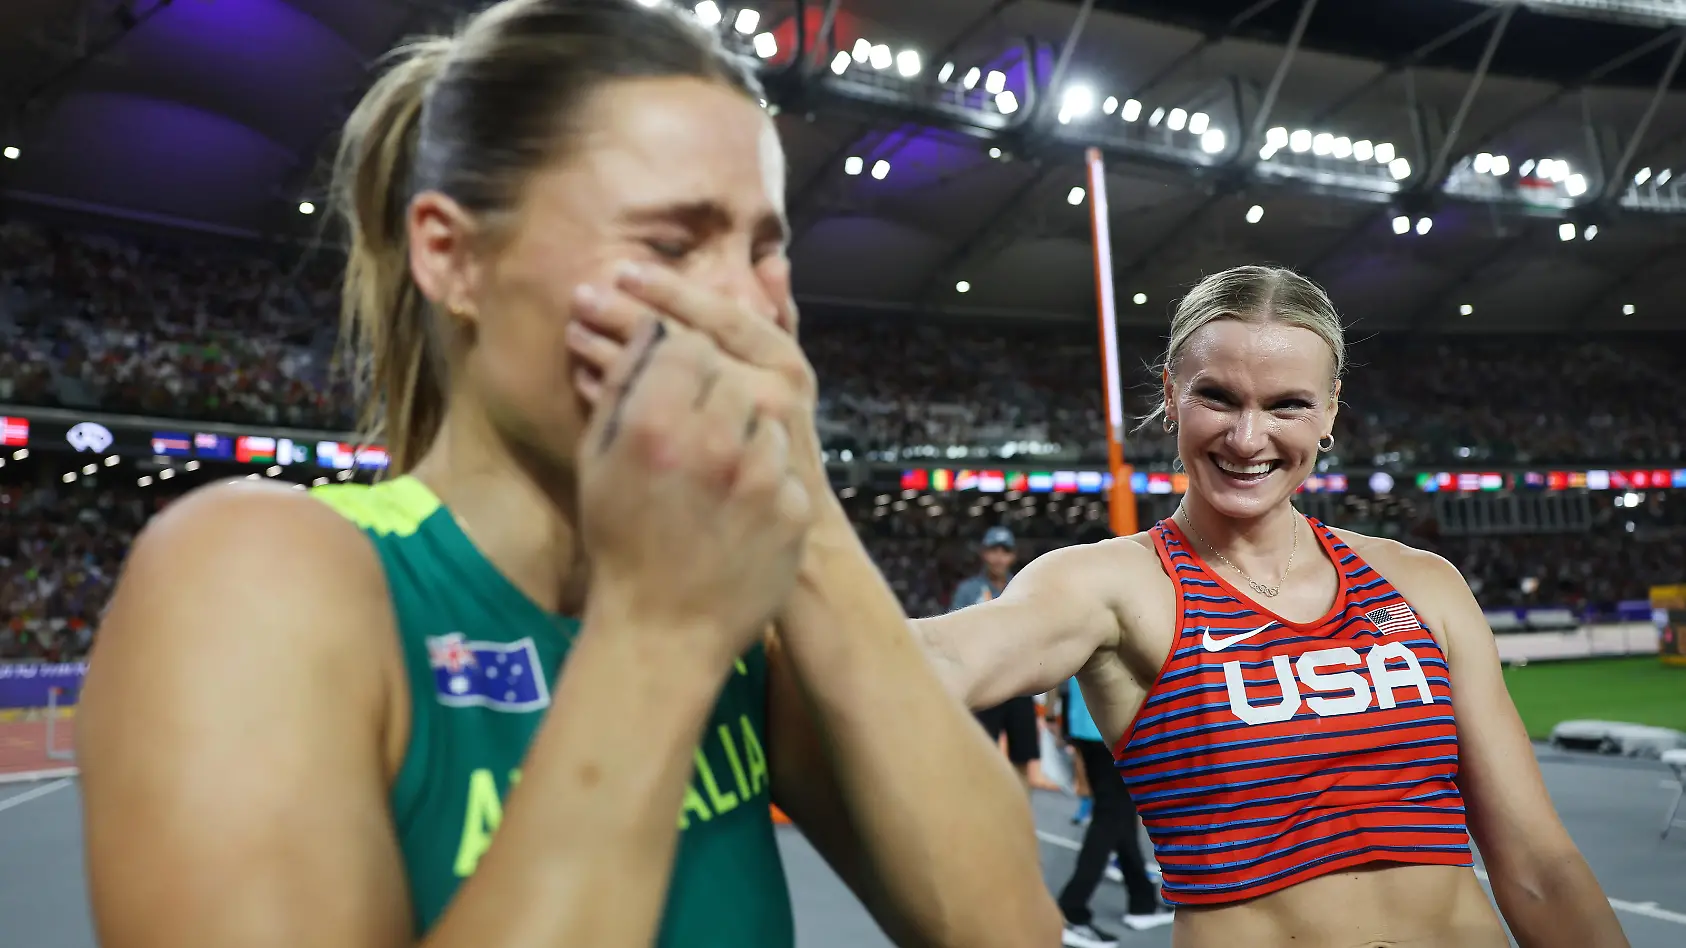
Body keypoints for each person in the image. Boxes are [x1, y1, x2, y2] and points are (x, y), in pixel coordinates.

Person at [75, 3, 1059, 947]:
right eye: (670, 244)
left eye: (765, 249)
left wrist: (808, 525)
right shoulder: (265, 578)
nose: (740, 304)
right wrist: (658, 637)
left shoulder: (741, 615)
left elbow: (1004, 929)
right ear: (453, 258)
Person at [915, 265, 1629, 948]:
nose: (1248, 438)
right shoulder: (1113, 585)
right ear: (1170, 394)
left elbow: (1539, 863)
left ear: (1330, 412)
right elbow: (943, 658)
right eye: (1218, 397)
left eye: (1287, 404)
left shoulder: (1421, 583)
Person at [1056, 676, 1172, 948]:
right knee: (1109, 818)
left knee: (1119, 814)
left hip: (1088, 722)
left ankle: (1141, 901)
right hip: (1111, 727)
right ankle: (1071, 910)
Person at [952, 526, 1041, 787]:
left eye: (1005, 551)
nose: (999, 558)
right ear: (984, 554)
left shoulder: (1026, 588)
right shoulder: (969, 591)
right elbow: (955, 636)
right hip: (983, 685)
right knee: (980, 757)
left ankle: (1021, 821)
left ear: (1012, 556)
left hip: (1019, 686)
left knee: (1023, 758)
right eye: (993, 551)